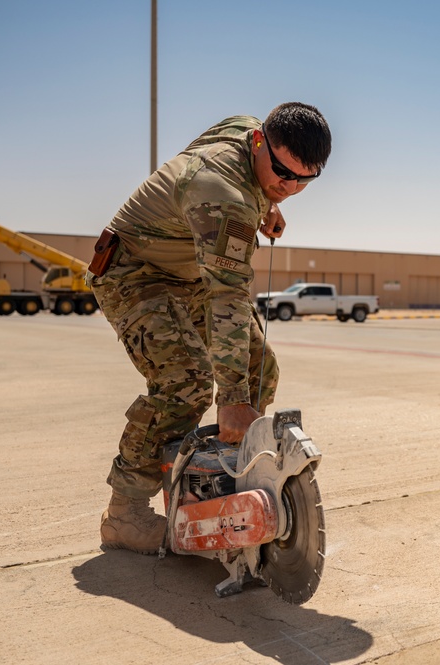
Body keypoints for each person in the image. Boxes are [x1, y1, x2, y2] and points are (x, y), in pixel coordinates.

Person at [89, 103, 332, 554]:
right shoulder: (222, 197)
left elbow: (253, 180)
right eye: (282, 173)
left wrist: (267, 201)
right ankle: (123, 514)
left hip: (189, 271)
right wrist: (232, 400)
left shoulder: (249, 131)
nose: (289, 186)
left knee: (261, 367)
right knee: (186, 383)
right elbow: (228, 300)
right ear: (258, 143)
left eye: (304, 180)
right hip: (134, 270)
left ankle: (229, 476)